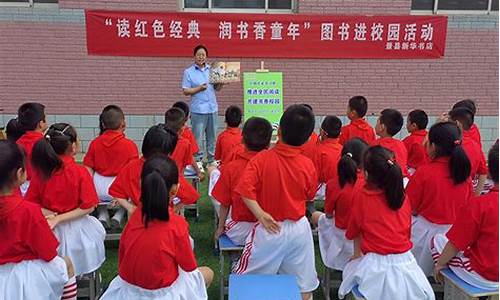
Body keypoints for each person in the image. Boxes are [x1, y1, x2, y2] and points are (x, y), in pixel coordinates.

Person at [234, 105, 319, 300]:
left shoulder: (261, 159)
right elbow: (309, 194)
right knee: (303, 290)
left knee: (246, 283)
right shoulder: (307, 165)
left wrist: (260, 214)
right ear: (307, 138)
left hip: (270, 229)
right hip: (300, 230)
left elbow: (245, 189)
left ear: (279, 130)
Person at [100, 156, 213, 300]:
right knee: (208, 273)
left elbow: (123, 260)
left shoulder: (134, 218)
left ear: (141, 184)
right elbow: (189, 266)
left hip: (128, 290)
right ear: (175, 189)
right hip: (163, 293)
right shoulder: (176, 224)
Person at [338, 146, 434, 300]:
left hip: (374, 265)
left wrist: (356, 255)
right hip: (406, 263)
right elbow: (406, 232)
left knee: (351, 272)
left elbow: (354, 231)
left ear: (367, 174)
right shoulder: (402, 197)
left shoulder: (363, 197)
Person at [25, 123, 106, 278]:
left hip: (50, 228)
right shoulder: (79, 172)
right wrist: (59, 217)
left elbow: (31, 203)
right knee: (82, 258)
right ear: (73, 146)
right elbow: (89, 206)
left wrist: (52, 215)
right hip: (78, 230)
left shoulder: (41, 172)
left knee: (54, 266)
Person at [0, 140, 76, 300]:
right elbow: (48, 252)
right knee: (66, 263)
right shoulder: (28, 211)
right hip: (23, 277)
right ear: (19, 173)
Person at [406, 121, 472, 276]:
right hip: (453, 237)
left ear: (433, 146)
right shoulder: (464, 174)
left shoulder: (425, 173)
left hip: (424, 235)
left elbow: (410, 206)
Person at [432, 143, 498, 291]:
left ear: (490, 173)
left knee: (437, 240)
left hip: (486, 275)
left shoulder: (481, 204)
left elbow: (455, 243)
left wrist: (440, 264)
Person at [109, 124, 199, 215]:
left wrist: (131, 208)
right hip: (164, 218)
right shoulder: (167, 170)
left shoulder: (131, 167)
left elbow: (115, 191)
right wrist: (175, 208)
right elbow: (191, 196)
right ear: (167, 153)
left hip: (140, 218)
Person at [212, 117, 273, 246]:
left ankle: (235, 261)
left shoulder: (231, 168)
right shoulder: (276, 166)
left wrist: (220, 227)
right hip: (270, 228)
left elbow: (224, 202)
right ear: (268, 143)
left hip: (240, 230)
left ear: (242, 139)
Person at [311, 138, 368, 271]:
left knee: (316, 215)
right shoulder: (371, 183)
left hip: (343, 236)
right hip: (366, 237)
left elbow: (329, 215)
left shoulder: (334, 184)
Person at [83, 105, 139, 229]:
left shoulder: (95, 143)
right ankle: (118, 216)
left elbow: (88, 169)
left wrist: (90, 190)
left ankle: (103, 215)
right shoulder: (130, 145)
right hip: (120, 189)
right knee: (133, 188)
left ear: (103, 124)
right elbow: (134, 173)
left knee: (98, 180)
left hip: (99, 189)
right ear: (123, 123)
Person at [182, 45, 223, 165]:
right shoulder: (188, 72)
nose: (201, 57)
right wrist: (199, 88)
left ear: (206, 57)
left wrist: (222, 83)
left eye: (203, 55)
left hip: (212, 108)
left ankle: (211, 159)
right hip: (198, 110)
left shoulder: (212, 70)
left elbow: (217, 88)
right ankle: (198, 160)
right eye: (199, 55)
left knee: (212, 137)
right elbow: (185, 91)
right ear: (194, 56)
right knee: (197, 137)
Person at [448, 107, 488, 195]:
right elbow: (483, 172)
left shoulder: (447, 143)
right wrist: (476, 194)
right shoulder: (475, 145)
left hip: (446, 193)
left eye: (448, 122)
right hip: (467, 193)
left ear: (457, 123)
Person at [208, 105, 243, 202]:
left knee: (210, 168)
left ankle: (215, 200)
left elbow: (217, 157)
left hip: (225, 171)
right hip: (241, 171)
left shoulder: (222, 136)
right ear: (240, 121)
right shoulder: (244, 137)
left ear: (225, 120)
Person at [15, 102, 48, 196]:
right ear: (40, 123)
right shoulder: (45, 143)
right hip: (40, 186)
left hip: (20, 186)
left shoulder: (18, 143)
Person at [165, 107, 204, 180]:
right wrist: (199, 172)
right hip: (178, 176)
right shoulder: (185, 141)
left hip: (162, 174)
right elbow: (190, 158)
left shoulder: (160, 136)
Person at [374, 108, 409, 178]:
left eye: (377, 121)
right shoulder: (401, 144)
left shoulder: (375, 145)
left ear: (382, 127)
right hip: (400, 182)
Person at [403, 109, 429, 174]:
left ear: (414, 125)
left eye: (407, 122)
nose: (406, 125)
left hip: (413, 174)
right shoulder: (431, 137)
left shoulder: (409, 140)